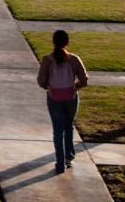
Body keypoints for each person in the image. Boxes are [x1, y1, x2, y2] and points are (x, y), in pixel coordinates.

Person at [36, 29, 88, 172]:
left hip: (54, 98)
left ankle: (59, 163)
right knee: (68, 126)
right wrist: (74, 87)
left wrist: (50, 87)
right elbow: (84, 80)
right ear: (67, 42)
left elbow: (41, 81)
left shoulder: (47, 60)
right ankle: (68, 157)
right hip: (71, 97)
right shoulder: (74, 59)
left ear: (53, 42)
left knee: (57, 131)